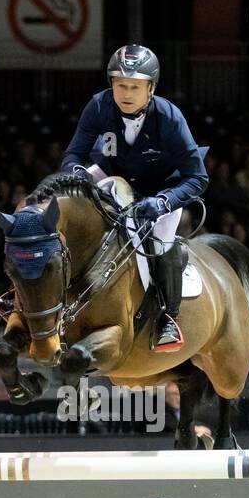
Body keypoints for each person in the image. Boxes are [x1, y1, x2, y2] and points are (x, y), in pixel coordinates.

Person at [57, 44, 208, 352]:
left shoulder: (169, 117)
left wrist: (164, 202)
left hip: (162, 190)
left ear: (150, 89)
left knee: (161, 240)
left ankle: (168, 317)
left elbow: (198, 177)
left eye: (134, 87)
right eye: (120, 85)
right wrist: (78, 175)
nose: (126, 93)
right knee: (66, 205)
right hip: (115, 176)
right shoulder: (99, 106)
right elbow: (74, 153)